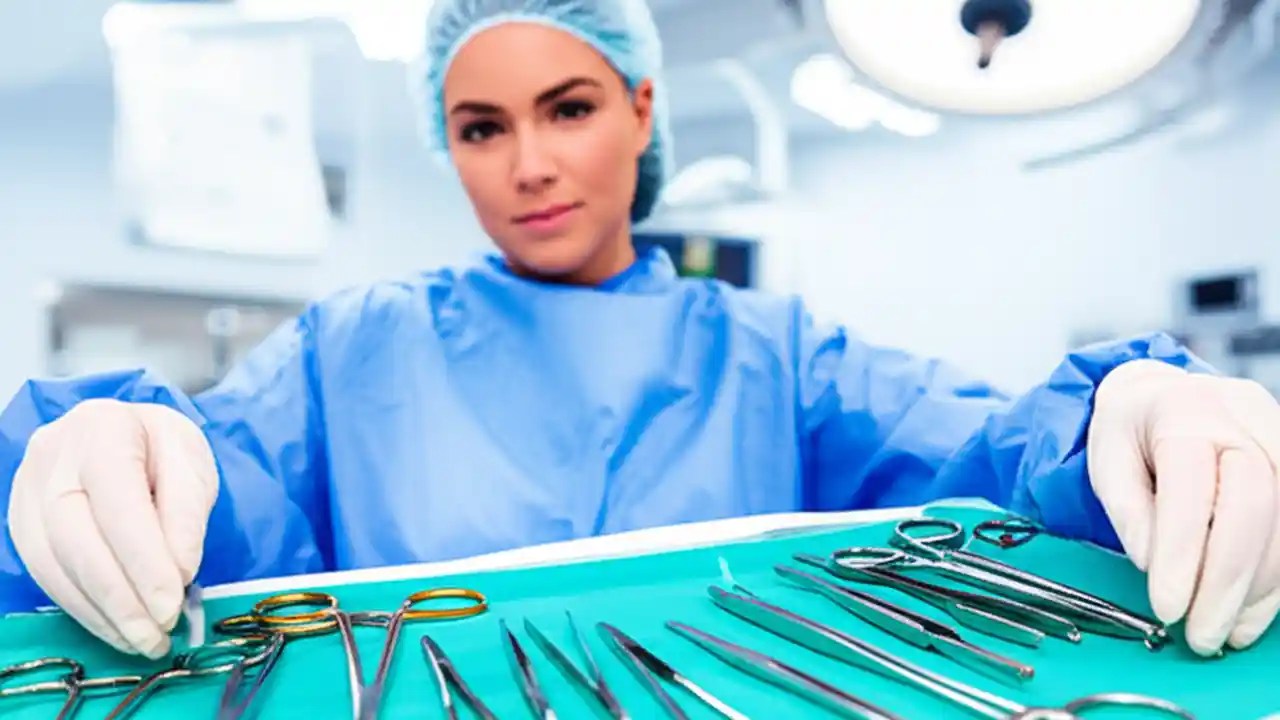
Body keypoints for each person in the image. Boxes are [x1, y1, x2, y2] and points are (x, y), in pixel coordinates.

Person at [1, 0, 1278, 665]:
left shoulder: (769, 354)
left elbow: (1000, 460)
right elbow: (208, 502)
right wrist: (104, 448)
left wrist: (1133, 412)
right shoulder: (354, 351)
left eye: (566, 107)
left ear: (641, 106)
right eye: (481, 127)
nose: (529, 165)